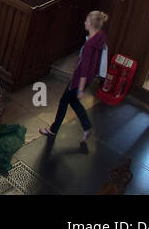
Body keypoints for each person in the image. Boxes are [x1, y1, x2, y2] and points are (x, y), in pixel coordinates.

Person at [41, 9, 108, 142]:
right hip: (90, 77)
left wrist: (80, 88)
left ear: (92, 25)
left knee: (63, 102)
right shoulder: (100, 36)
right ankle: (87, 126)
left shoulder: (89, 44)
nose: (85, 22)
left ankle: (53, 130)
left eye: (87, 21)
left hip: (79, 80)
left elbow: (84, 67)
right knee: (73, 102)